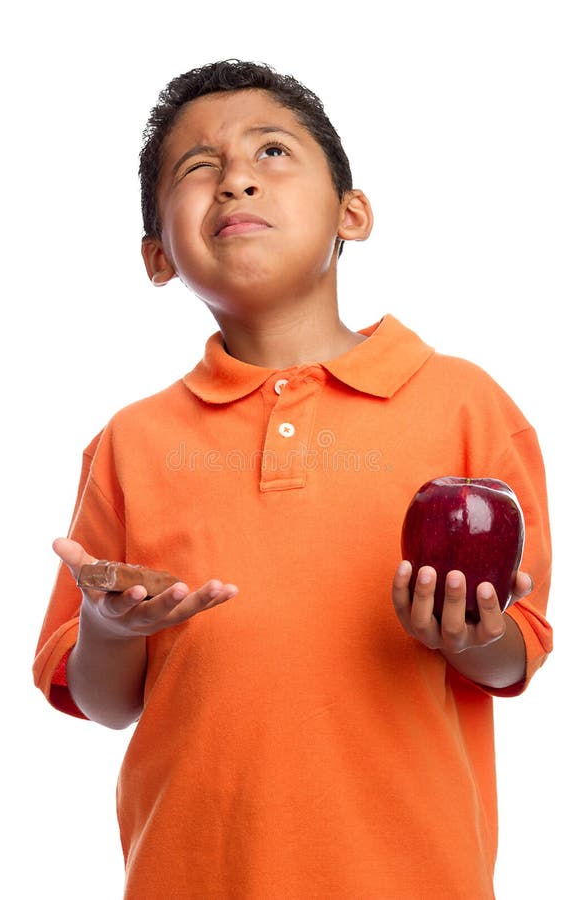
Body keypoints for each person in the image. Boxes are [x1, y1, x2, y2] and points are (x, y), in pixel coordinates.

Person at [33, 60, 552, 899]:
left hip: (414, 879)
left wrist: (468, 634)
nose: (235, 178)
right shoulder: (132, 443)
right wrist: (110, 628)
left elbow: (513, 656)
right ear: (158, 256)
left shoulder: (466, 405)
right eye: (197, 168)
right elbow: (104, 701)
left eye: (270, 152)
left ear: (353, 213)